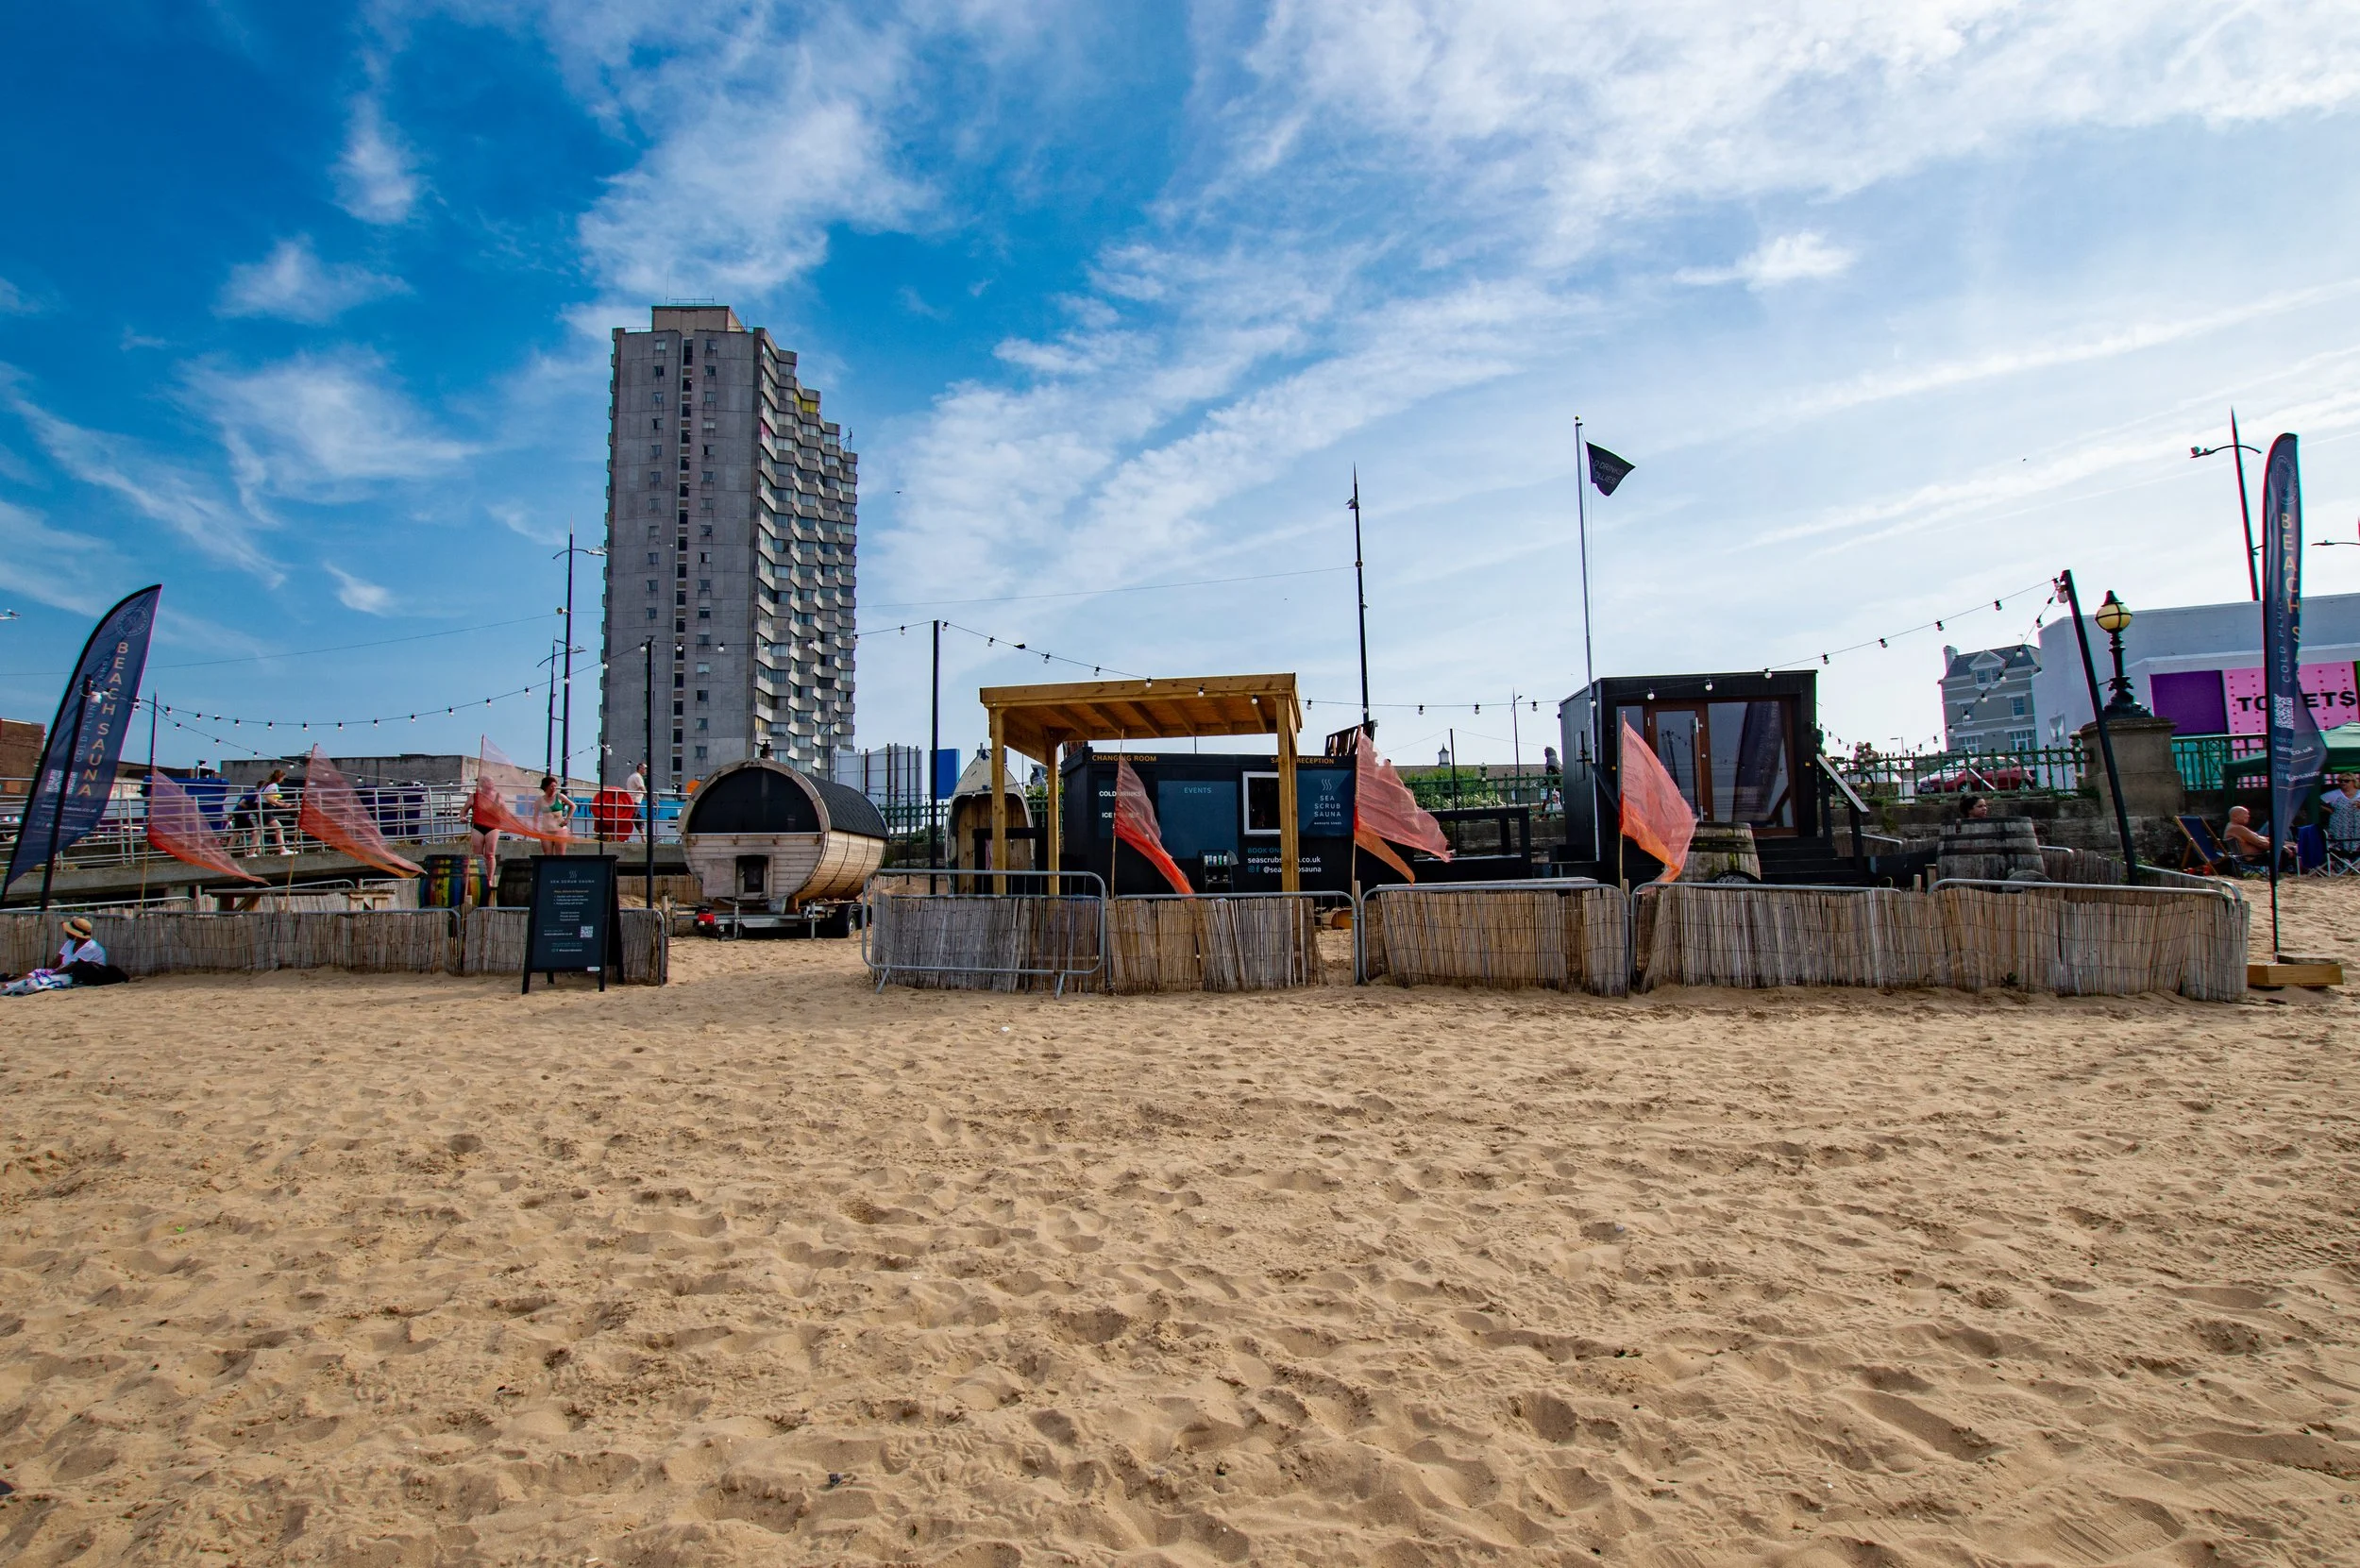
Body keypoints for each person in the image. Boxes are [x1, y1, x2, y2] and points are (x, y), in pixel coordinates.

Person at [3, 916, 126, 994]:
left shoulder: (91, 947)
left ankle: (11, 988)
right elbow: (58, 959)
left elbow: (72, 966)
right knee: (36, 972)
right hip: (63, 971)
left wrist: (53, 973)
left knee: (40, 981)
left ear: (76, 934)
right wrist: (49, 970)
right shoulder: (71, 943)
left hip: (77, 975)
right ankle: (8, 985)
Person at [2223, 804, 2295, 871]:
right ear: (2235, 816)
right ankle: (2286, 872)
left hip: (2254, 856)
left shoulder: (2233, 827)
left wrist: (2283, 843)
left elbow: (2261, 838)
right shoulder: (2237, 828)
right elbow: (2260, 843)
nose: (2248, 816)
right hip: (2254, 858)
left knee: (2290, 846)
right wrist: (2281, 847)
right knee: (2286, 851)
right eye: (2245, 815)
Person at [257, 767, 295, 854]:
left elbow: (268, 797)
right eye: (283, 778)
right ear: (280, 777)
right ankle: (283, 850)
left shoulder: (266, 785)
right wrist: (282, 805)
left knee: (260, 831)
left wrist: (282, 802)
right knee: (278, 828)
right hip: (266, 809)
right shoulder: (274, 786)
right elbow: (269, 798)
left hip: (262, 808)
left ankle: (252, 852)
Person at [2323, 774, 2360, 857]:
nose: (2343, 783)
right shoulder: (2334, 794)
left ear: (2353, 782)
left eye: (2346, 781)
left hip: (2357, 826)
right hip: (2340, 826)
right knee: (2341, 849)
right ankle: (2343, 866)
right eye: (2340, 781)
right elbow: (2317, 802)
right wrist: (2329, 809)